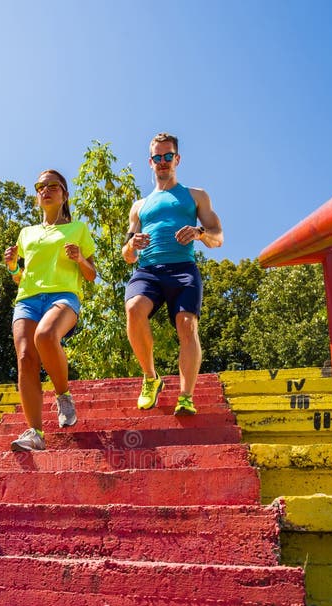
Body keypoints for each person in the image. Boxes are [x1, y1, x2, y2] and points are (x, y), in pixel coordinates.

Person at [122, 132, 223, 415]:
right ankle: (151, 378)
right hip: (149, 271)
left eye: (168, 156)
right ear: (150, 162)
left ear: (177, 159)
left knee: (187, 324)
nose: (163, 162)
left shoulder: (196, 196)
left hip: (183, 269)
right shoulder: (139, 207)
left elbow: (218, 237)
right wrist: (132, 244)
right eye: (158, 157)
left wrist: (199, 233)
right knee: (133, 309)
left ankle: (186, 396)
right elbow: (127, 254)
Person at [4, 170, 96, 451]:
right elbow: (20, 276)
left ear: (64, 195)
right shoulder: (26, 233)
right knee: (25, 357)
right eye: (41, 186)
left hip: (64, 295)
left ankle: (63, 395)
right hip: (28, 298)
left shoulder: (78, 229)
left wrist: (79, 257)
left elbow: (91, 274)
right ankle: (35, 433)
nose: (46, 190)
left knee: (45, 336)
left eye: (52, 186)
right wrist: (12, 266)